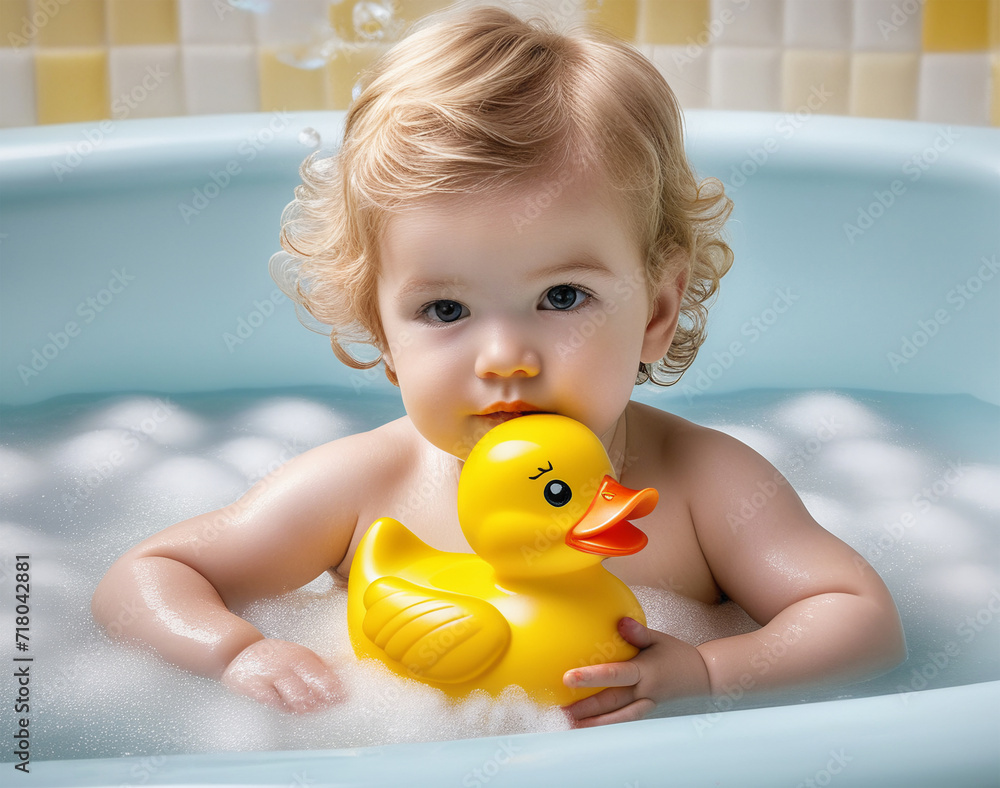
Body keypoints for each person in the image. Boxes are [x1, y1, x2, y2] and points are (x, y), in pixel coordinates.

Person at [92, 4, 905, 727]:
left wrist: (707, 670)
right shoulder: (358, 490)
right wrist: (238, 653)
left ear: (656, 311)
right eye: (444, 311)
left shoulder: (705, 487)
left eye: (561, 297)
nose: (506, 359)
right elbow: (146, 576)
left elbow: (859, 619)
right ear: (382, 331)